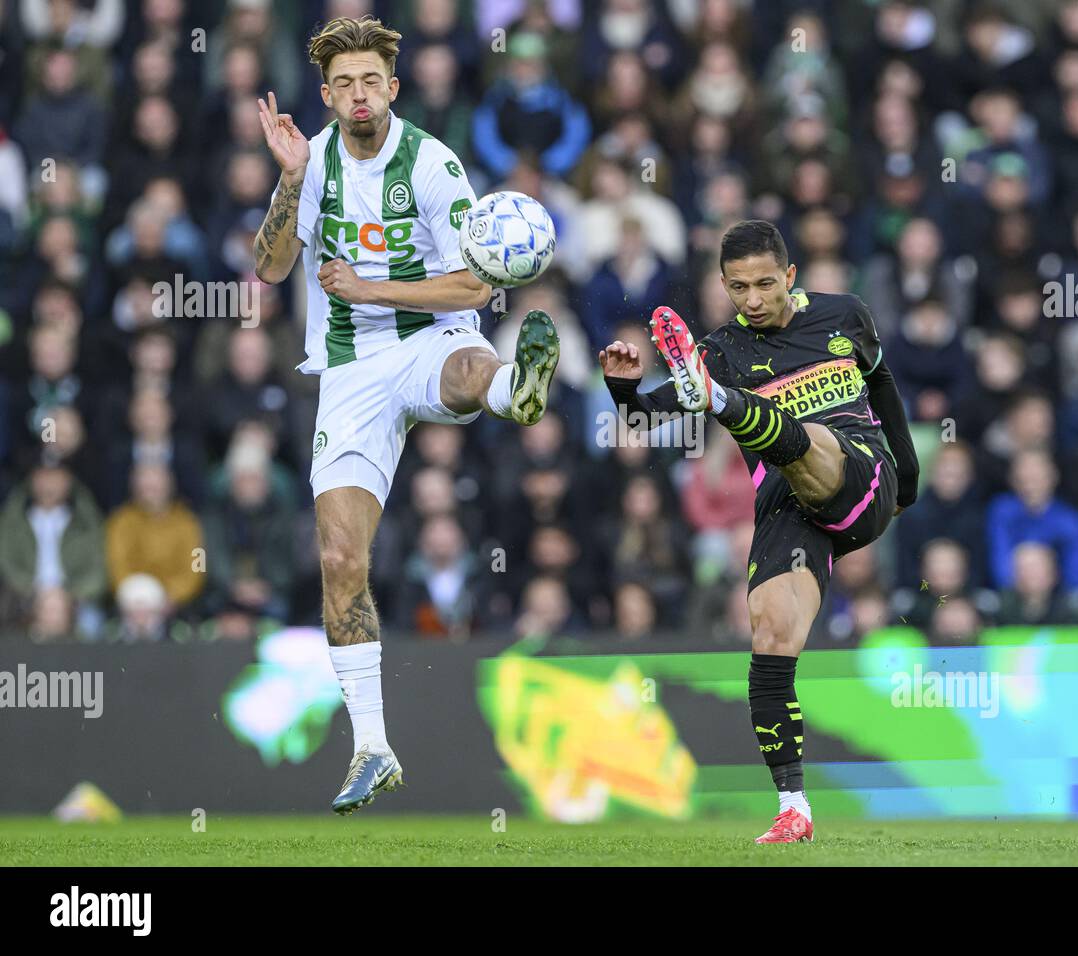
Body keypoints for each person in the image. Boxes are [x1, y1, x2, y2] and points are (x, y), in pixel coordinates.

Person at [251, 15, 560, 815]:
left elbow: (474, 288)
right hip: (349, 371)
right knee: (340, 559)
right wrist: (287, 181)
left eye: (371, 82)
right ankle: (372, 748)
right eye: (343, 84)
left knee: (465, 370)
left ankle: (511, 391)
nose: (358, 95)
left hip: (429, 338)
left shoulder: (432, 164)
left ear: (393, 88)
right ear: (327, 95)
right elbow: (268, 265)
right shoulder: (309, 162)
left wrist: (372, 289)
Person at [599, 220, 919, 843]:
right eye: (738, 287)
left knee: (806, 440)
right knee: (770, 637)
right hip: (786, 504)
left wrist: (906, 473)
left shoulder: (845, 315)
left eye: (765, 284)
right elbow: (642, 419)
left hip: (858, 470)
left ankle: (720, 403)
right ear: (722, 285)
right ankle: (794, 806)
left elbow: (882, 384)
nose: (752, 299)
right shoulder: (722, 349)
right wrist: (621, 391)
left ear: (791, 277)